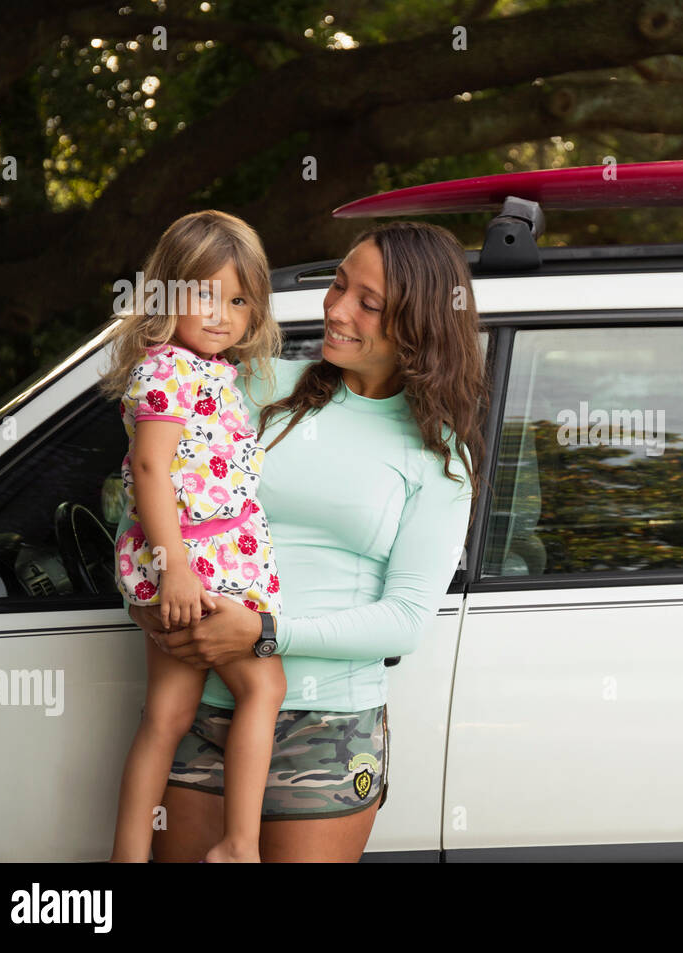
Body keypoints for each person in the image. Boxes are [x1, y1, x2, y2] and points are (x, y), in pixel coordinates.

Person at [116, 220, 488, 861]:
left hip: (329, 729)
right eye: (339, 285)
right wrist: (148, 595)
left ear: (418, 324)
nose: (336, 309)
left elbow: (404, 622)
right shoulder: (253, 384)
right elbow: (147, 489)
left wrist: (265, 632)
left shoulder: (438, 456)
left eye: (367, 303)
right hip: (203, 708)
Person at [100, 210, 286, 863]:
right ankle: (238, 843)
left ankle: (127, 857)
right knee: (264, 688)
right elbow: (149, 470)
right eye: (204, 296)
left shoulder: (210, 370)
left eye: (239, 300)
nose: (222, 315)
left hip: (201, 555)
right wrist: (174, 567)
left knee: (166, 717)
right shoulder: (170, 371)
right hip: (196, 563)